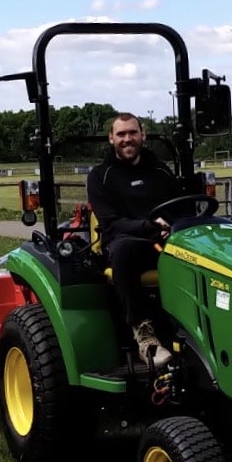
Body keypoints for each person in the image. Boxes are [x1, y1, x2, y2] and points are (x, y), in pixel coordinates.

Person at [86, 113, 182, 367]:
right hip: (126, 244)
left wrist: (171, 226)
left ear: (143, 135)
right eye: (121, 134)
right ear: (111, 138)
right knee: (123, 250)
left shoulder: (160, 171)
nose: (127, 139)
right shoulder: (100, 176)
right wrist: (149, 226)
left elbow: (178, 209)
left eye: (132, 133)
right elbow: (110, 223)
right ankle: (144, 335)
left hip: (163, 243)